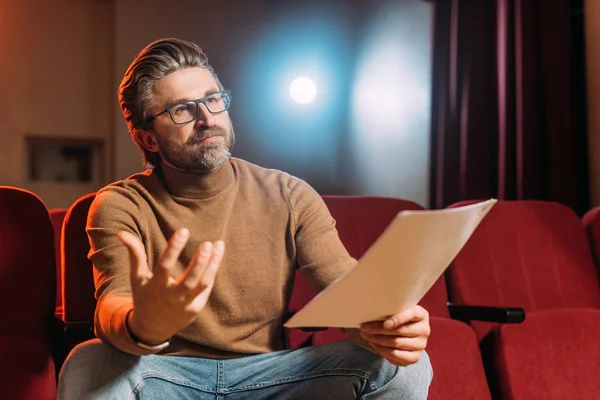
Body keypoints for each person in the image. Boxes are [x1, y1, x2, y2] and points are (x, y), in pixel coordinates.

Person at [57, 38, 432, 399]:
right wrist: (141, 326)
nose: (206, 118)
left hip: (270, 379)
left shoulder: (290, 194)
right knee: (87, 362)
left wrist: (388, 328)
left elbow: (349, 297)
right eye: (182, 109)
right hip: (166, 378)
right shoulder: (121, 204)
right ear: (149, 139)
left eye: (212, 99)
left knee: (408, 366)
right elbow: (112, 307)